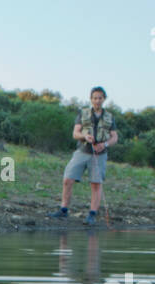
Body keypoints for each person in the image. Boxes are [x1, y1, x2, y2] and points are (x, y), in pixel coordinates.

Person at [47, 86, 118, 225]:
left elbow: (114, 137)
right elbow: (75, 133)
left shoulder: (110, 117)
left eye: (100, 98)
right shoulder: (82, 113)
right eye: (95, 98)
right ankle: (63, 209)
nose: (97, 101)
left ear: (104, 99)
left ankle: (92, 214)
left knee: (96, 184)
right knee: (68, 179)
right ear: (91, 99)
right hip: (82, 151)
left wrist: (105, 145)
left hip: (100, 155)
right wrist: (85, 136)